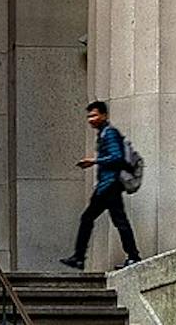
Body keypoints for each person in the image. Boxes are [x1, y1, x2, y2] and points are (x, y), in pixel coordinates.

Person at [63, 99, 144, 271]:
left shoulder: (110, 133)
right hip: (106, 186)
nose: (90, 119)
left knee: (104, 220)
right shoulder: (103, 134)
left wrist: (94, 161)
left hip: (110, 185)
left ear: (104, 115)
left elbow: (117, 157)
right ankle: (80, 257)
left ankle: (80, 257)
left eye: (94, 115)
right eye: (89, 116)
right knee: (108, 220)